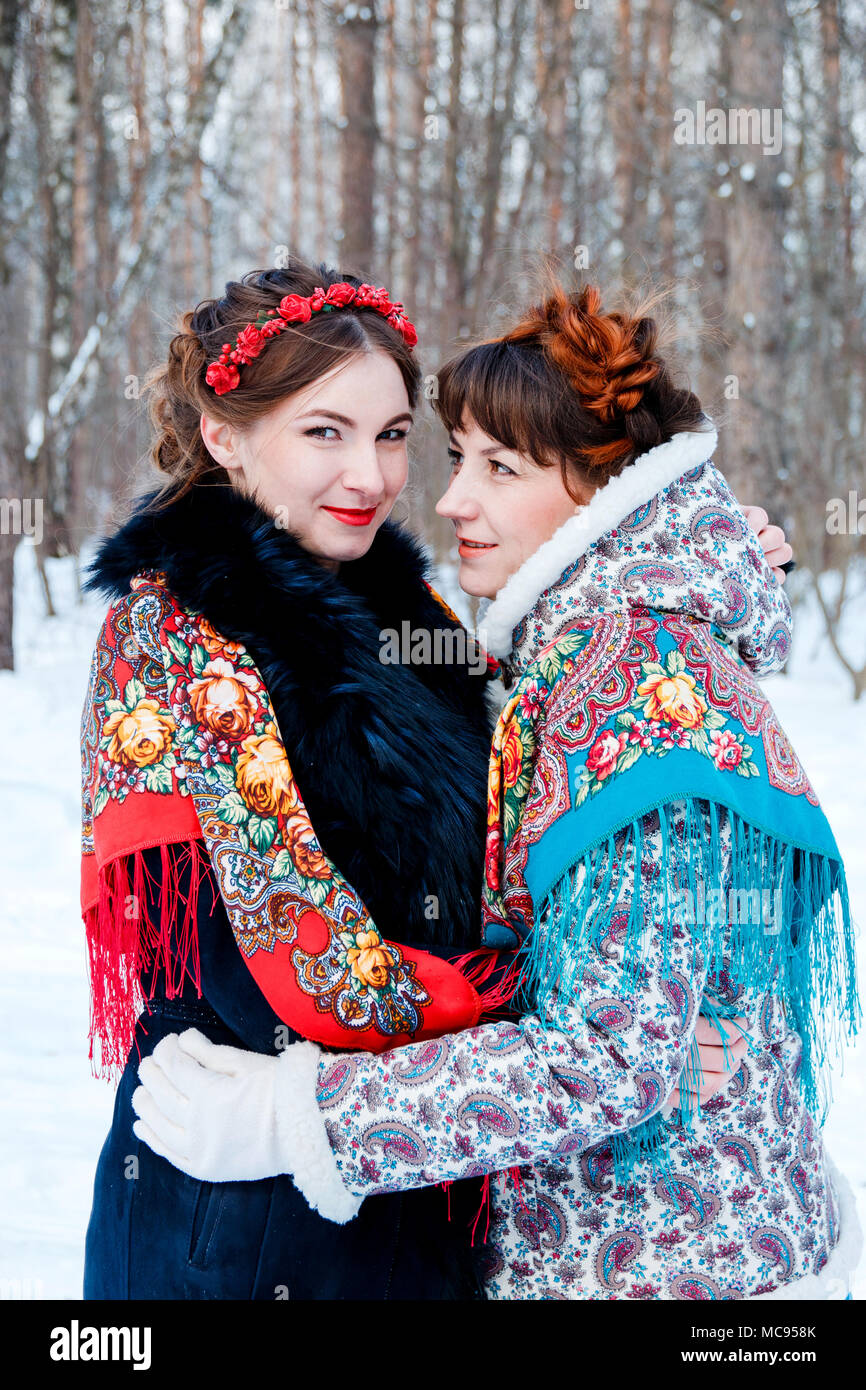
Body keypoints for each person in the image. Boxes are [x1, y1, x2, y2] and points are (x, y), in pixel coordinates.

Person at [130, 277, 860, 1299]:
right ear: (223, 436)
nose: (437, 494)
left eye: (497, 466)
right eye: (453, 455)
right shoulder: (566, 652)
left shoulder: (632, 690)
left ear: (603, 491)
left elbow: (606, 1057)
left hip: (664, 1266)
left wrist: (302, 1118)